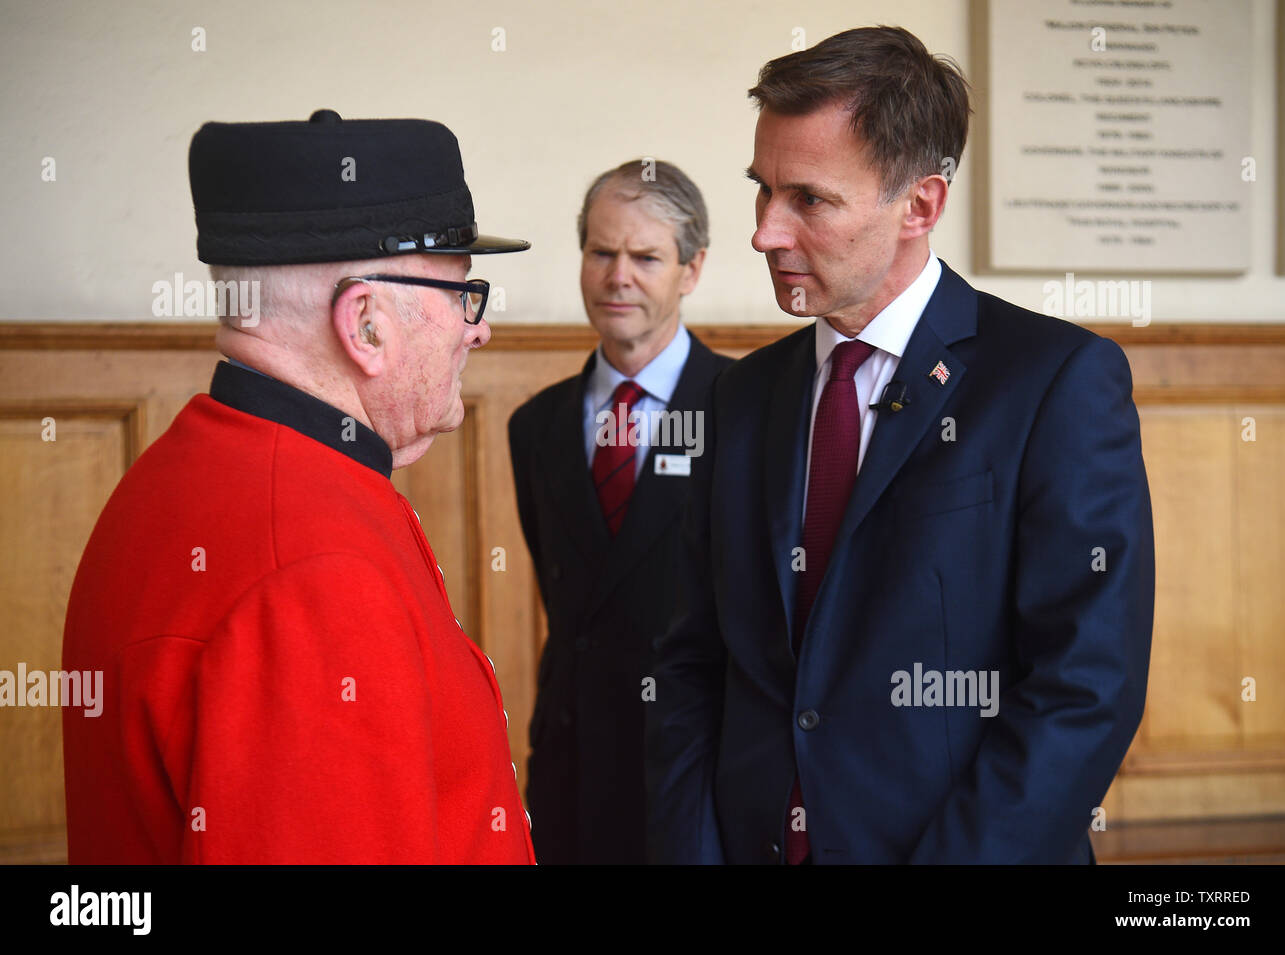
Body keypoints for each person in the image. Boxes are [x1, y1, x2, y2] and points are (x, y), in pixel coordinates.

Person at [645, 27, 1155, 864]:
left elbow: (1084, 688)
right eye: (762, 191)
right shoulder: (737, 397)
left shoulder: (1057, 382)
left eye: (808, 199)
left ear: (919, 205)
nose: (765, 233)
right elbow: (690, 667)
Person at [62, 109, 536, 864]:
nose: (475, 328)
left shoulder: (177, 475)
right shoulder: (314, 576)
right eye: (460, 293)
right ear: (367, 325)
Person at [509, 160, 731, 863]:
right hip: (569, 778)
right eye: (601, 252)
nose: (617, 276)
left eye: (645, 257)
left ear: (691, 270)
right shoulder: (534, 425)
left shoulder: (748, 410)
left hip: (697, 776)